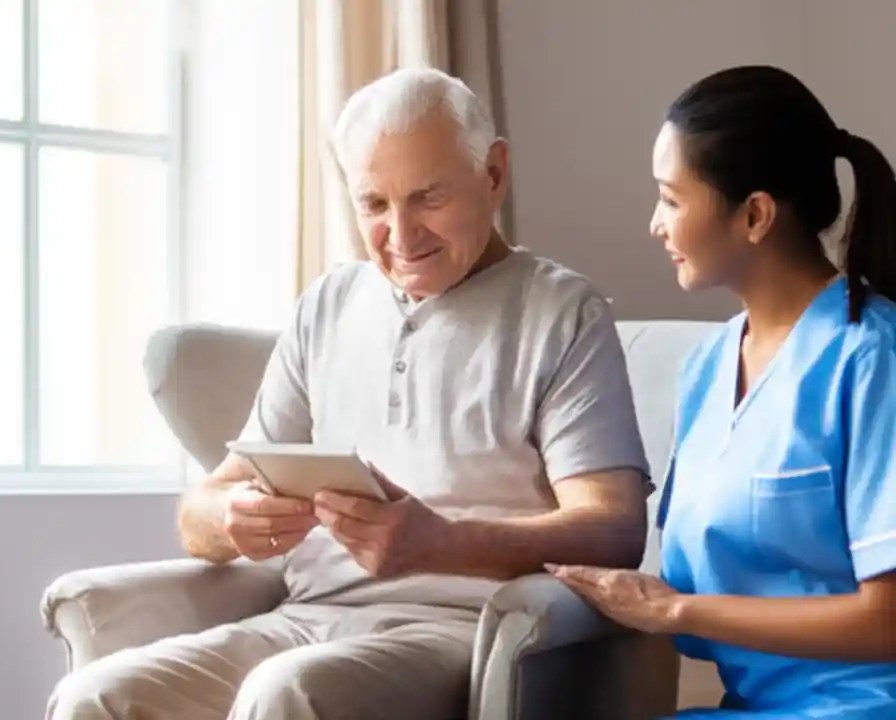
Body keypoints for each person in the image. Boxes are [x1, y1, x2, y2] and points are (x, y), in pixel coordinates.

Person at [49, 67, 651, 720]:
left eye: (429, 197)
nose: (402, 233)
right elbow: (205, 505)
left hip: (461, 629)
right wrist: (231, 521)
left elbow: (613, 529)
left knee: (287, 692)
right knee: (93, 699)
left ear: (495, 173)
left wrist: (440, 542)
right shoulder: (327, 306)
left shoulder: (560, 312)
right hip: (304, 619)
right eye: (374, 204)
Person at [549, 65, 896, 718]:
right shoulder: (707, 367)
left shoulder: (873, 357)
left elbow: (889, 620)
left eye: (672, 199)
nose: (656, 224)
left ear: (755, 215)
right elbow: (686, 600)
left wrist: (676, 609)